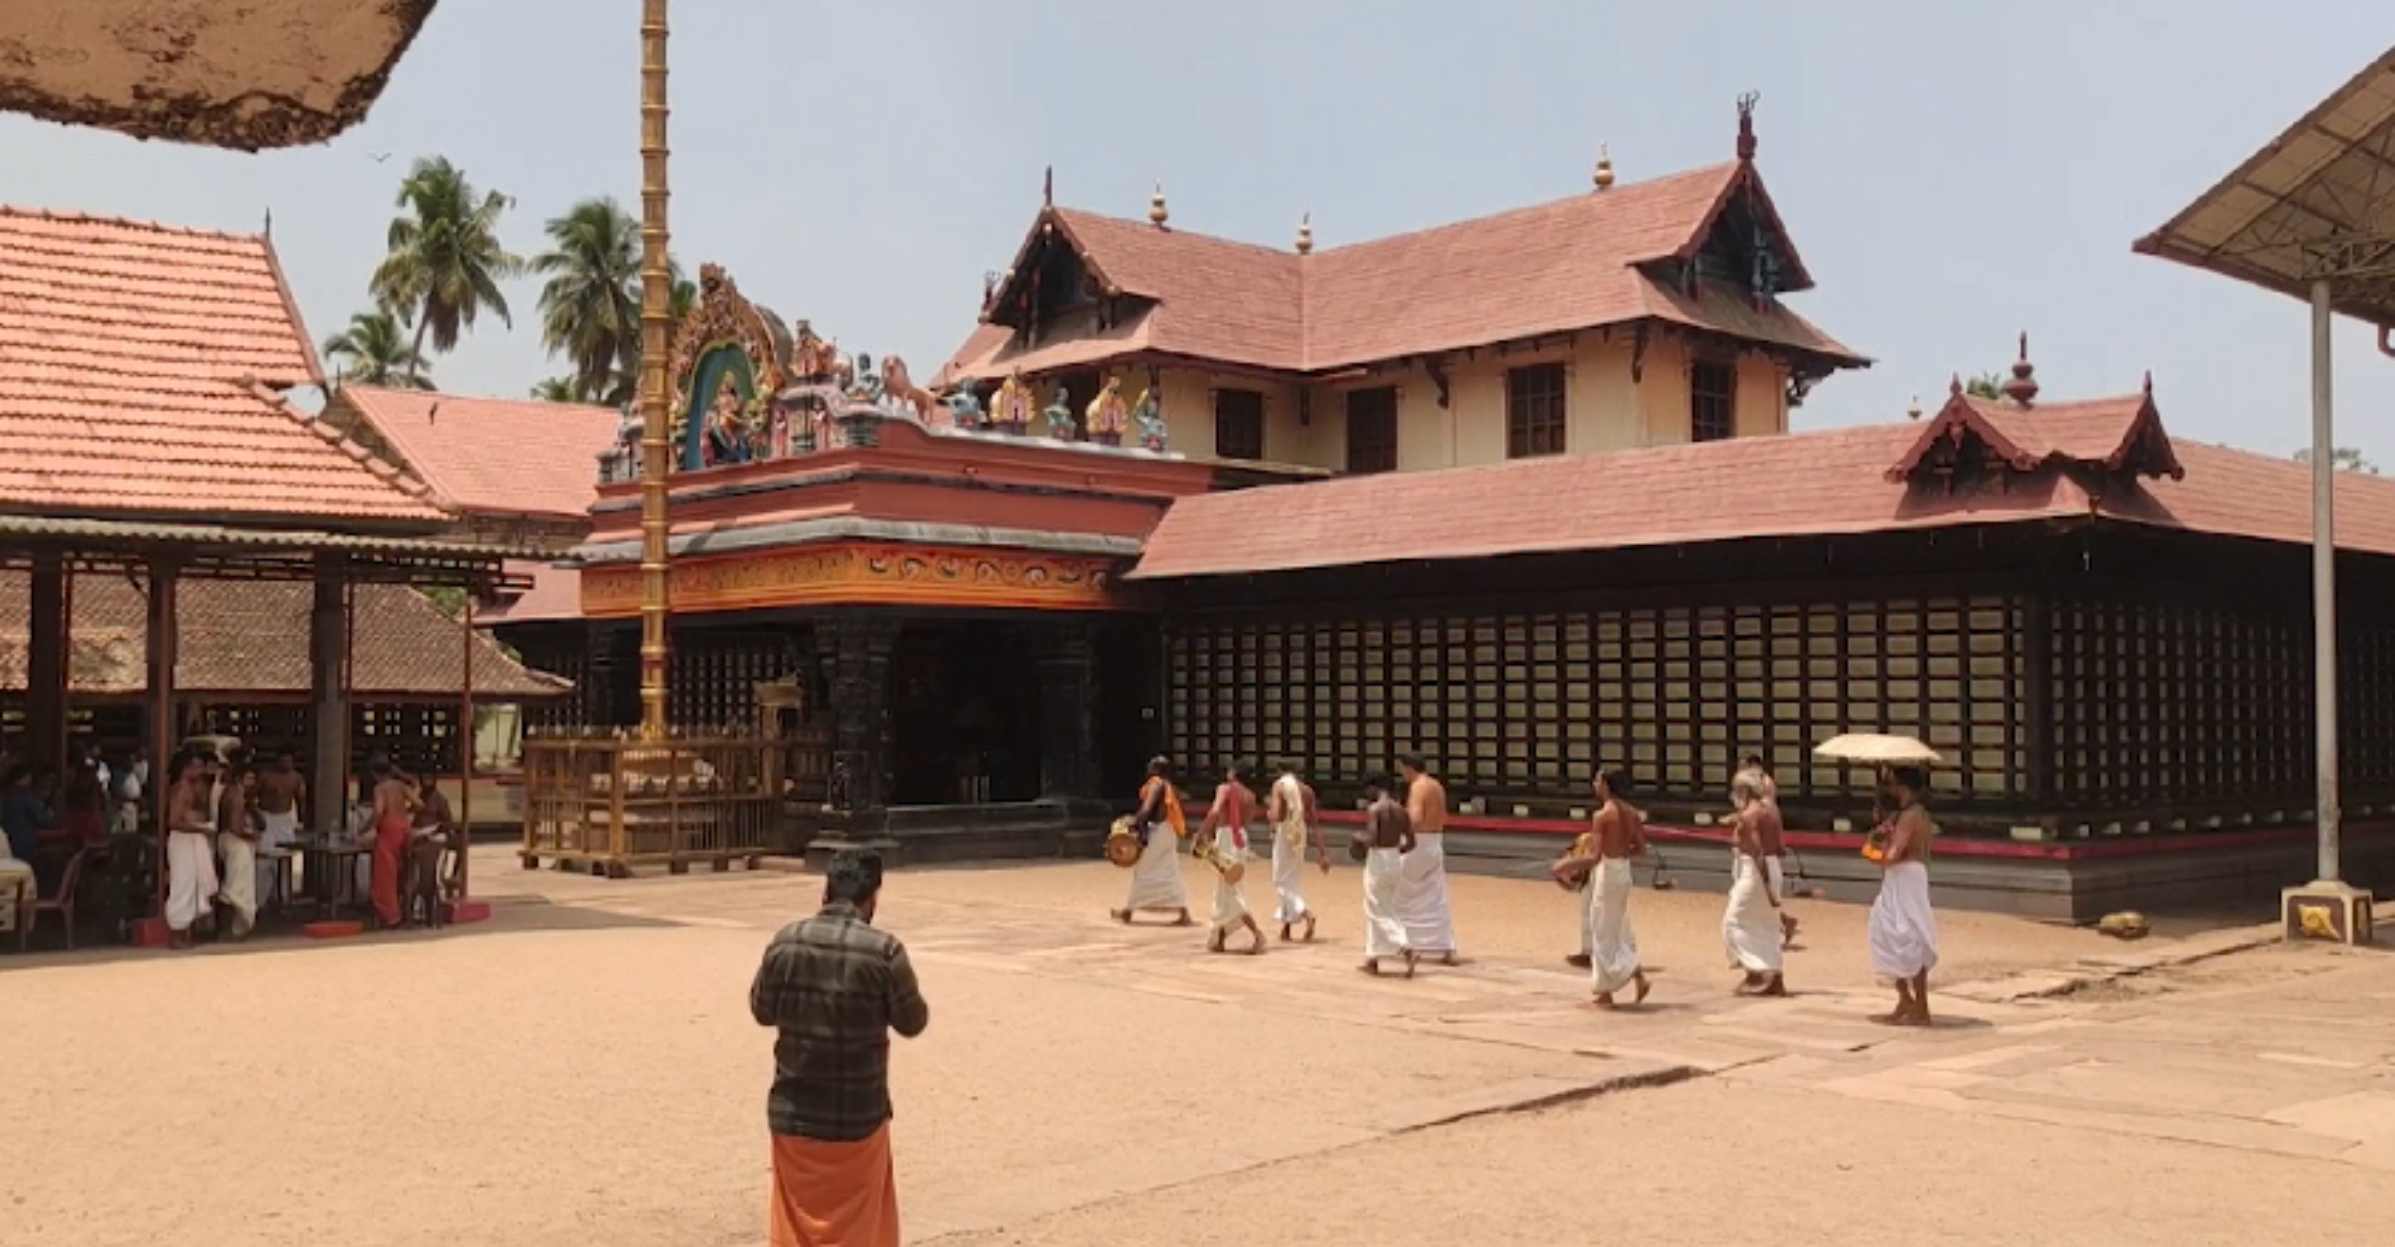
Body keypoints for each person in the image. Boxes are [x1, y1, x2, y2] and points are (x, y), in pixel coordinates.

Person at [750, 849, 927, 1247]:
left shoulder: (785, 942)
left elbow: (762, 1011)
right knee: (860, 1227)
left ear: (825, 891)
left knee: (796, 1224)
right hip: (858, 1116)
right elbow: (913, 1022)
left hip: (794, 1112)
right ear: (873, 898)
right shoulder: (885, 951)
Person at [1551, 766, 1651, 1008]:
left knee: (1602, 930)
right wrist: (1619, 852)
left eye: (1597, 781)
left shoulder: (1602, 816)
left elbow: (1594, 857)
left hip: (1607, 873)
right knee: (1617, 926)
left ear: (1606, 785)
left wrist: (1565, 865)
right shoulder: (1631, 813)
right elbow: (1641, 849)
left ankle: (1607, 990)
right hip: (1623, 871)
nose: (1594, 784)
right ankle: (1634, 975)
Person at [1868, 766, 1940, 1026]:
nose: (1890, 789)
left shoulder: (1911, 816)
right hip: (1906, 877)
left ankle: (1918, 1003)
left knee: (1906, 934)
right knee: (1891, 931)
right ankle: (1906, 1000)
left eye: (1893, 784)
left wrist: (1876, 848)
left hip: (1906, 876)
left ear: (1903, 787)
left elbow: (1893, 854)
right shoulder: (1910, 814)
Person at [1722, 770, 1787, 996]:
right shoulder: (1770, 811)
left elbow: (1757, 851)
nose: (1734, 795)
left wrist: (1767, 884)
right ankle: (1773, 974)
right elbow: (1780, 847)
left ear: (1745, 791)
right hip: (1771, 866)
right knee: (1766, 923)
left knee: (1733, 921)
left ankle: (1758, 973)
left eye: (1737, 790)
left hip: (1756, 871)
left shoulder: (1750, 815)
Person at [1194, 763, 1265, 955]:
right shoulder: (1250, 796)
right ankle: (1220, 939)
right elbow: (1247, 821)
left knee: (1230, 891)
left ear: (1233, 773)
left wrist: (1201, 833)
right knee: (1227, 890)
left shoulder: (1224, 788)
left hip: (1226, 837)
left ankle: (1257, 934)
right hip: (1240, 838)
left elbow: (1215, 811)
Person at [1111, 756, 1191, 926]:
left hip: (1158, 831)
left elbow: (1147, 808)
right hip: (1168, 831)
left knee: (1143, 869)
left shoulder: (1156, 783)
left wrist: (1133, 821)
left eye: (1151, 766)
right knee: (1169, 870)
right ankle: (1183, 912)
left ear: (1155, 769)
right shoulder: (1170, 787)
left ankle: (1129, 911)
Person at [1395, 753, 1459, 964]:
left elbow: (1415, 817)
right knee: (1435, 897)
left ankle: (1406, 942)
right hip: (1435, 841)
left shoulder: (1418, 787)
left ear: (1408, 768)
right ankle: (1444, 946)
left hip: (1418, 843)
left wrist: (1398, 827)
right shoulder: (1436, 786)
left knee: (1400, 894)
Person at [1358, 773, 1417, 978]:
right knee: (1385, 905)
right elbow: (1411, 843)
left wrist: (1361, 841)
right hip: (1394, 858)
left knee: (1374, 908)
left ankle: (1403, 945)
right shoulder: (1402, 810)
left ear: (1376, 788)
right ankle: (1372, 958)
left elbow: (1373, 837)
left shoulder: (1375, 809)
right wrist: (1394, 852)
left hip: (1378, 859)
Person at [1739, 754, 1799, 945]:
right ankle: (1781, 923)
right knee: (1758, 899)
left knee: (1761, 897)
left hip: (1764, 854)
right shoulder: (1757, 796)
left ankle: (1780, 927)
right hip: (1758, 853)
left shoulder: (1765, 790)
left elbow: (1768, 819)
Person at [1265, 760, 1327, 942]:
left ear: (1280, 771)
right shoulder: (1307, 791)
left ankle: (1306, 913)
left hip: (1285, 833)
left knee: (1281, 881)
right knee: (1292, 880)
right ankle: (1286, 927)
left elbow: (1276, 815)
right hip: (1300, 834)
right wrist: (1322, 852)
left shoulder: (1280, 786)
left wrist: (1269, 813)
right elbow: (1315, 822)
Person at [163, 750, 219, 949]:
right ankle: (176, 934)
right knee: (183, 886)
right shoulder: (181, 789)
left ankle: (186, 933)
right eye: (196, 766)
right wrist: (201, 829)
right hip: (183, 841)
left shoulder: (193, 788)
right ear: (186, 768)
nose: (201, 769)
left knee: (193, 885)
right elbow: (174, 822)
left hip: (191, 840)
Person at [368, 759, 419, 929]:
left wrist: (365, 828)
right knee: (403, 873)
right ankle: (407, 912)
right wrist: (404, 812)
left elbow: (378, 811)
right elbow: (419, 803)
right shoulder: (400, 786)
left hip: (388, 832)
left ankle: (392, 916)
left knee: (385, 877)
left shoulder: (380, 788)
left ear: (375, 774)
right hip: (404, 829)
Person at [213, 760, 261, 939]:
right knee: (234, 890)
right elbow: (234, 826)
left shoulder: (229, 792)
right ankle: (227, 931)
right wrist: (251, 836)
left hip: (226, 840)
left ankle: (229, 929)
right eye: (249, 778)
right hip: (235, 841)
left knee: (234, 887)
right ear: (241, 778)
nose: (252, 781)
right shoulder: (236, 796)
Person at [254, 750, 305, 909]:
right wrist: (257, 816)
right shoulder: (265, 776)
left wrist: (301, 821)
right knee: (264, 861)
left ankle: (283, 897)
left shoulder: (296, 778)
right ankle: (260, 900)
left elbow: (301, 799)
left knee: (284, 860)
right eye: (283, 761)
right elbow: (250, 797)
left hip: (285, 820)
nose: (286, 764)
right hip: (266, 817)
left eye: (289, 761)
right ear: (277, 761)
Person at [111, 745, 148, 836]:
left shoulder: (133, 774)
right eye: (129, 761)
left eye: (132, 762)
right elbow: (117, 794)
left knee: (132, 833)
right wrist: (132, 800)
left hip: (133, 808)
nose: (132, 764)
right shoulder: (119, 776)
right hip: (123, 809)